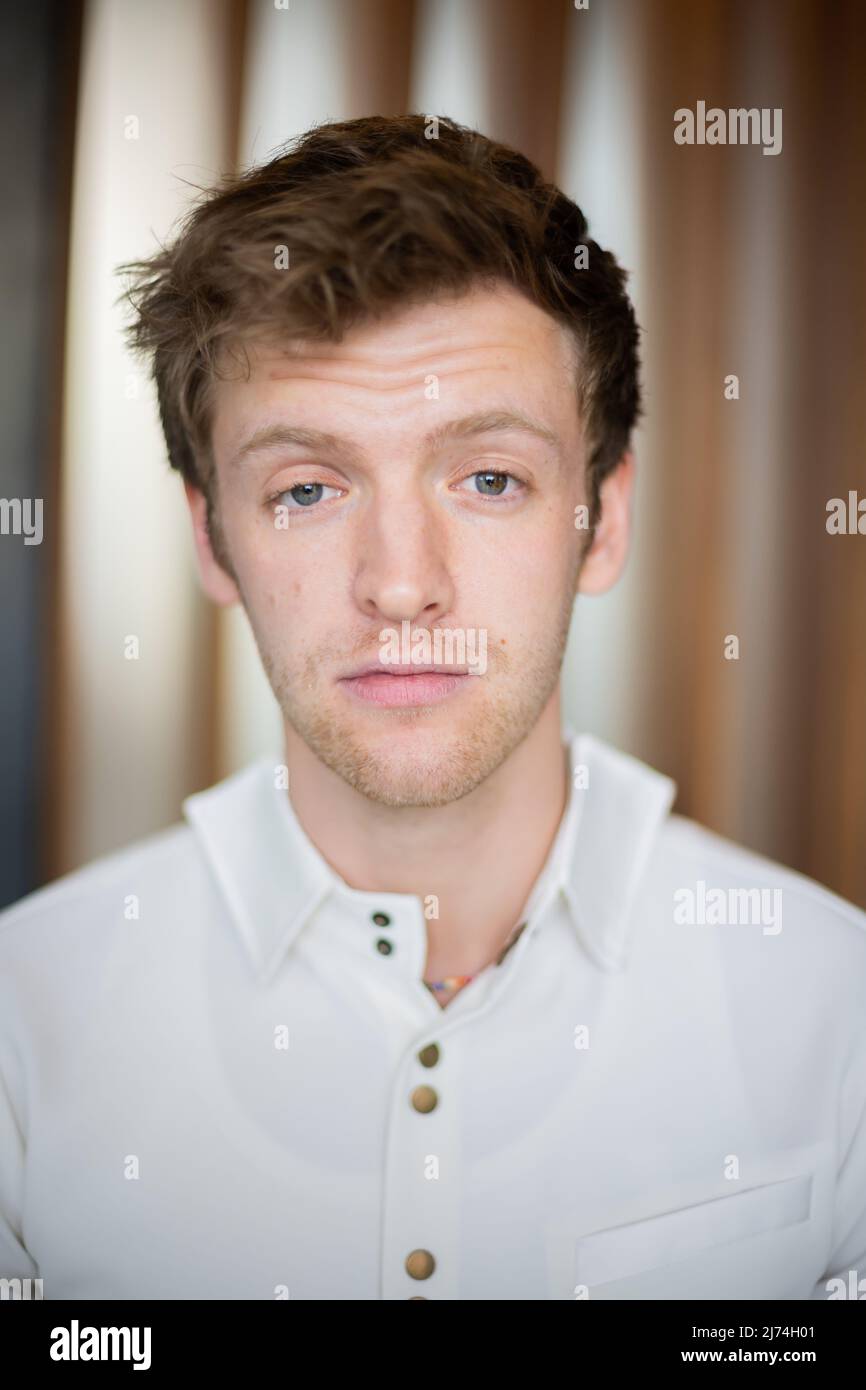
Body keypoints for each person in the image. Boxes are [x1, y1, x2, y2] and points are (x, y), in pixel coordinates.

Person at [1, 115, 863, 1301]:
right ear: (211, 539)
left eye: (489, 478)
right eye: (305, 486)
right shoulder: (22, 1021)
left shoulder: (833, 1011)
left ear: (600, 521)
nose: (401, 581)